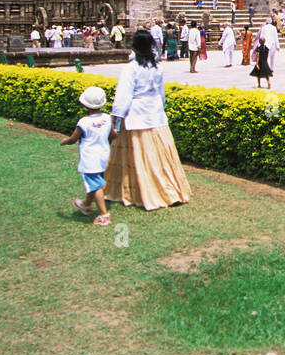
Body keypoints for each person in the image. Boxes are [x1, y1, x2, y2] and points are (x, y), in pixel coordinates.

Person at [103, 30, 191, 210]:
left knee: (139, 155)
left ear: (134, 47)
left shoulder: (131, 68)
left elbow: (123, 97)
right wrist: (162, 108)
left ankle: (148, 190)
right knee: (159, 153)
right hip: (155, 112)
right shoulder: (157, 67)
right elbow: (161, 93)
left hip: (137, 114)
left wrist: (116, 120)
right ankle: (168, 188)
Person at [61, 86, 113, 227]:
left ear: (85, 104)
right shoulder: (108, 118)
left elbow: (73, 139)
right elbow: (113, 134)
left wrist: (65, 141)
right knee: (95, 181)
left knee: (95, 185)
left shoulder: (83, 122)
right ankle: (86, 204)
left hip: (90, 158)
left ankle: (104, 214)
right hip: (103, 155)